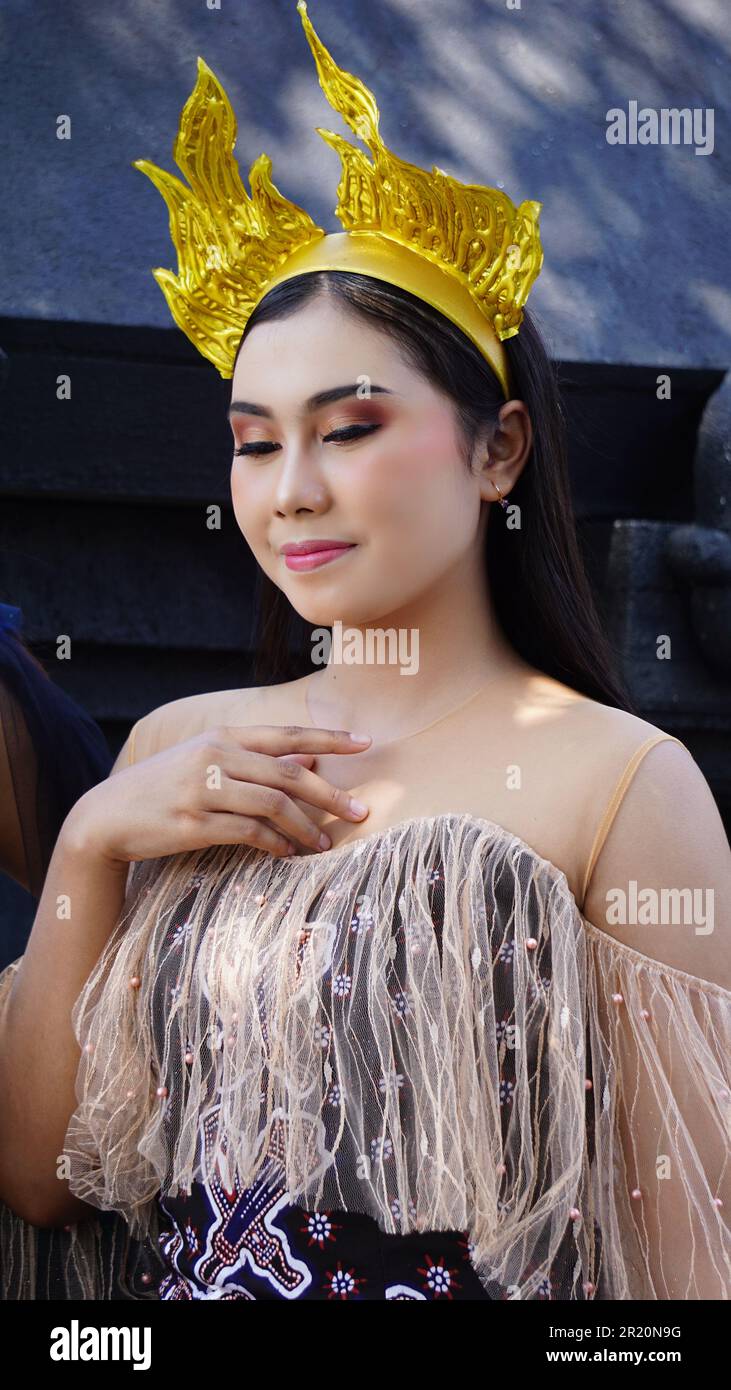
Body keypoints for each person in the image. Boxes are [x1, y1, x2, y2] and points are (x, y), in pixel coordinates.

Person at [0, 0, 728, 1301]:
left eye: (348, 427)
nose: (291, 491)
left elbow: (686, 1265)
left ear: (498, 448)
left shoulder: (624, 779)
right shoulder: (180, 749)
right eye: (256, 437)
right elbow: (43, 1177)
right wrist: (90, 840)